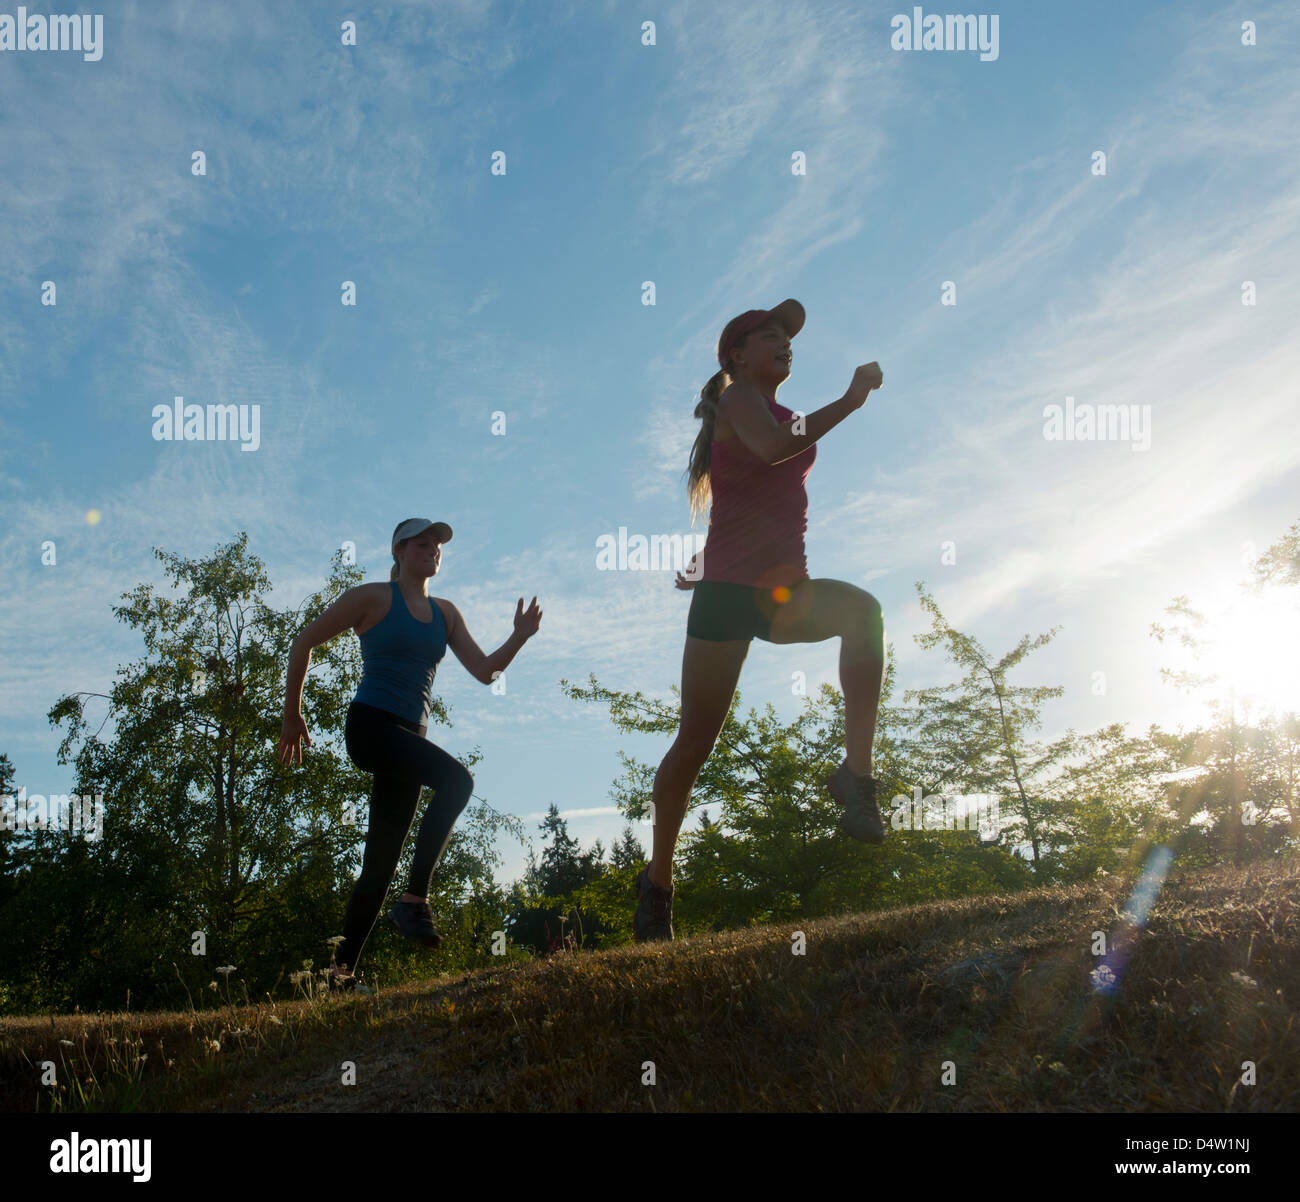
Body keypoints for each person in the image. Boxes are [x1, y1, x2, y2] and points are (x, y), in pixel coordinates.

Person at [634, 300, 886, 942]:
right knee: (695, 744)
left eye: (788, 335)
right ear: (737, 356)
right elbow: (774, 452)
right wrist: (852, 400)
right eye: (768, 334)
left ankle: (856, 778)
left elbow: (760, 483)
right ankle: (658, 885)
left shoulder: (778, 410)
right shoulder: (738, 399)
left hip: (781, 590)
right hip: (726, 598)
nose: (784, 342)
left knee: (863, 613)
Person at [277, 517, 542, 990]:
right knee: (459, 782)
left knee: (378, 864)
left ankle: (338, 977)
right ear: (399, 550)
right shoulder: (373, 598)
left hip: (409, 740)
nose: (433, 551)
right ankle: (415, 900)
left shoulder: (447, 613)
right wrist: (292, 714)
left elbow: (484, 672)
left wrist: (519, 636)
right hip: (371, 728)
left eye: (438, 546)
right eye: (423, 544)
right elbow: (304, 641)